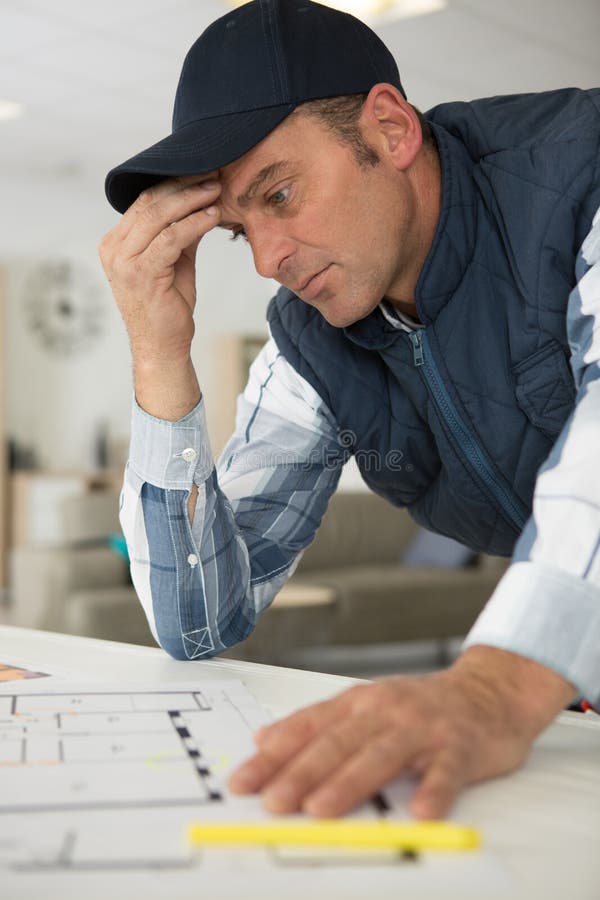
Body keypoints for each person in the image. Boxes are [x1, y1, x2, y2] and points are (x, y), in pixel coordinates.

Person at [100, 0, 600, 820]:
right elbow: (198, 624)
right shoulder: (315, 337)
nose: (267, 260)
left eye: (282, 193)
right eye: (238, 231)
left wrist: (493, 683)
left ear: (390, 131)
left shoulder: (580, 176)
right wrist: (158, 356)